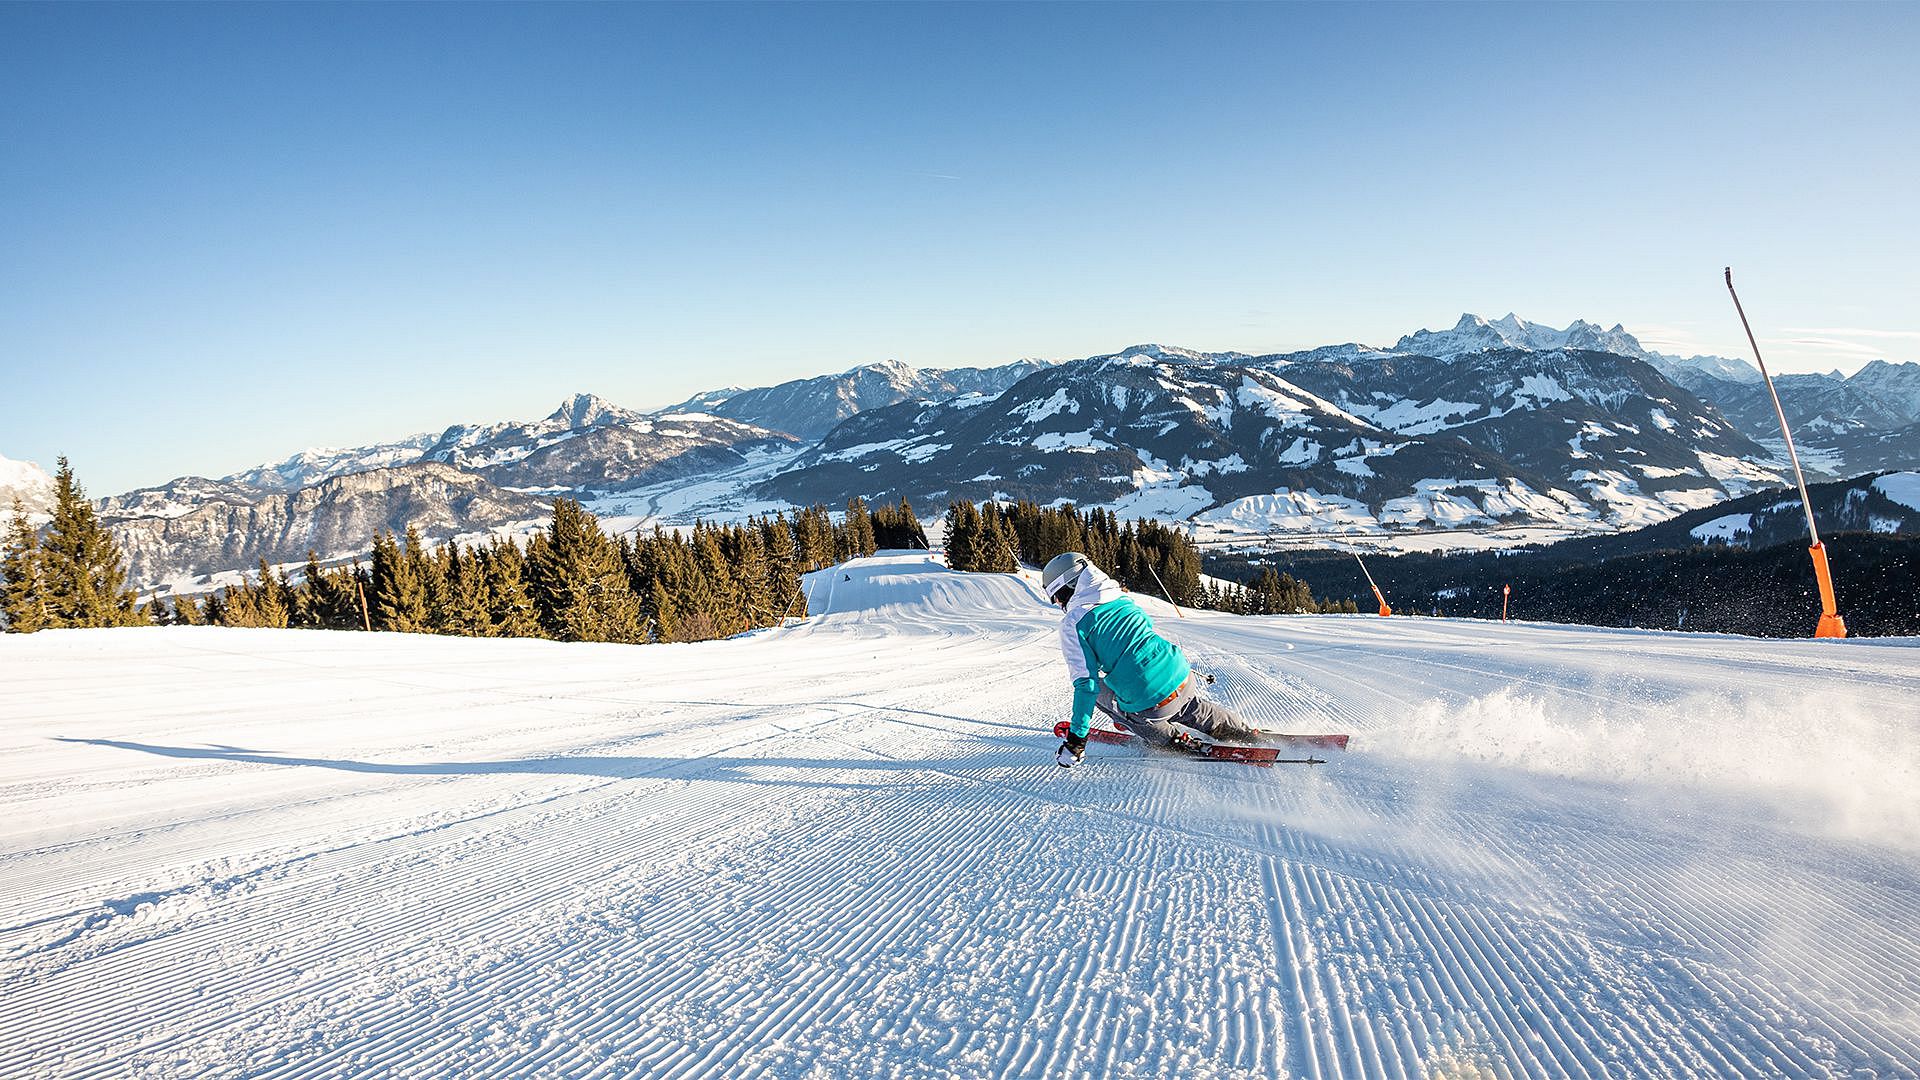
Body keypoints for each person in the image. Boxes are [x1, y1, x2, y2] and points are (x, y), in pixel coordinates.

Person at [1044, 551, 1264, 768]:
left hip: (1148, 701)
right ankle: (1241, 731)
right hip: (1181, 674)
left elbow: (1086, 685)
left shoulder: (1073, 622)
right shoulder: (1121, 598)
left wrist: (1076, 742)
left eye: (1057, 597)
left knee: (1104, 694)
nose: (1059, 605)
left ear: (1069, 587)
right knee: (1190, 707)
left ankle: (1168, 738)